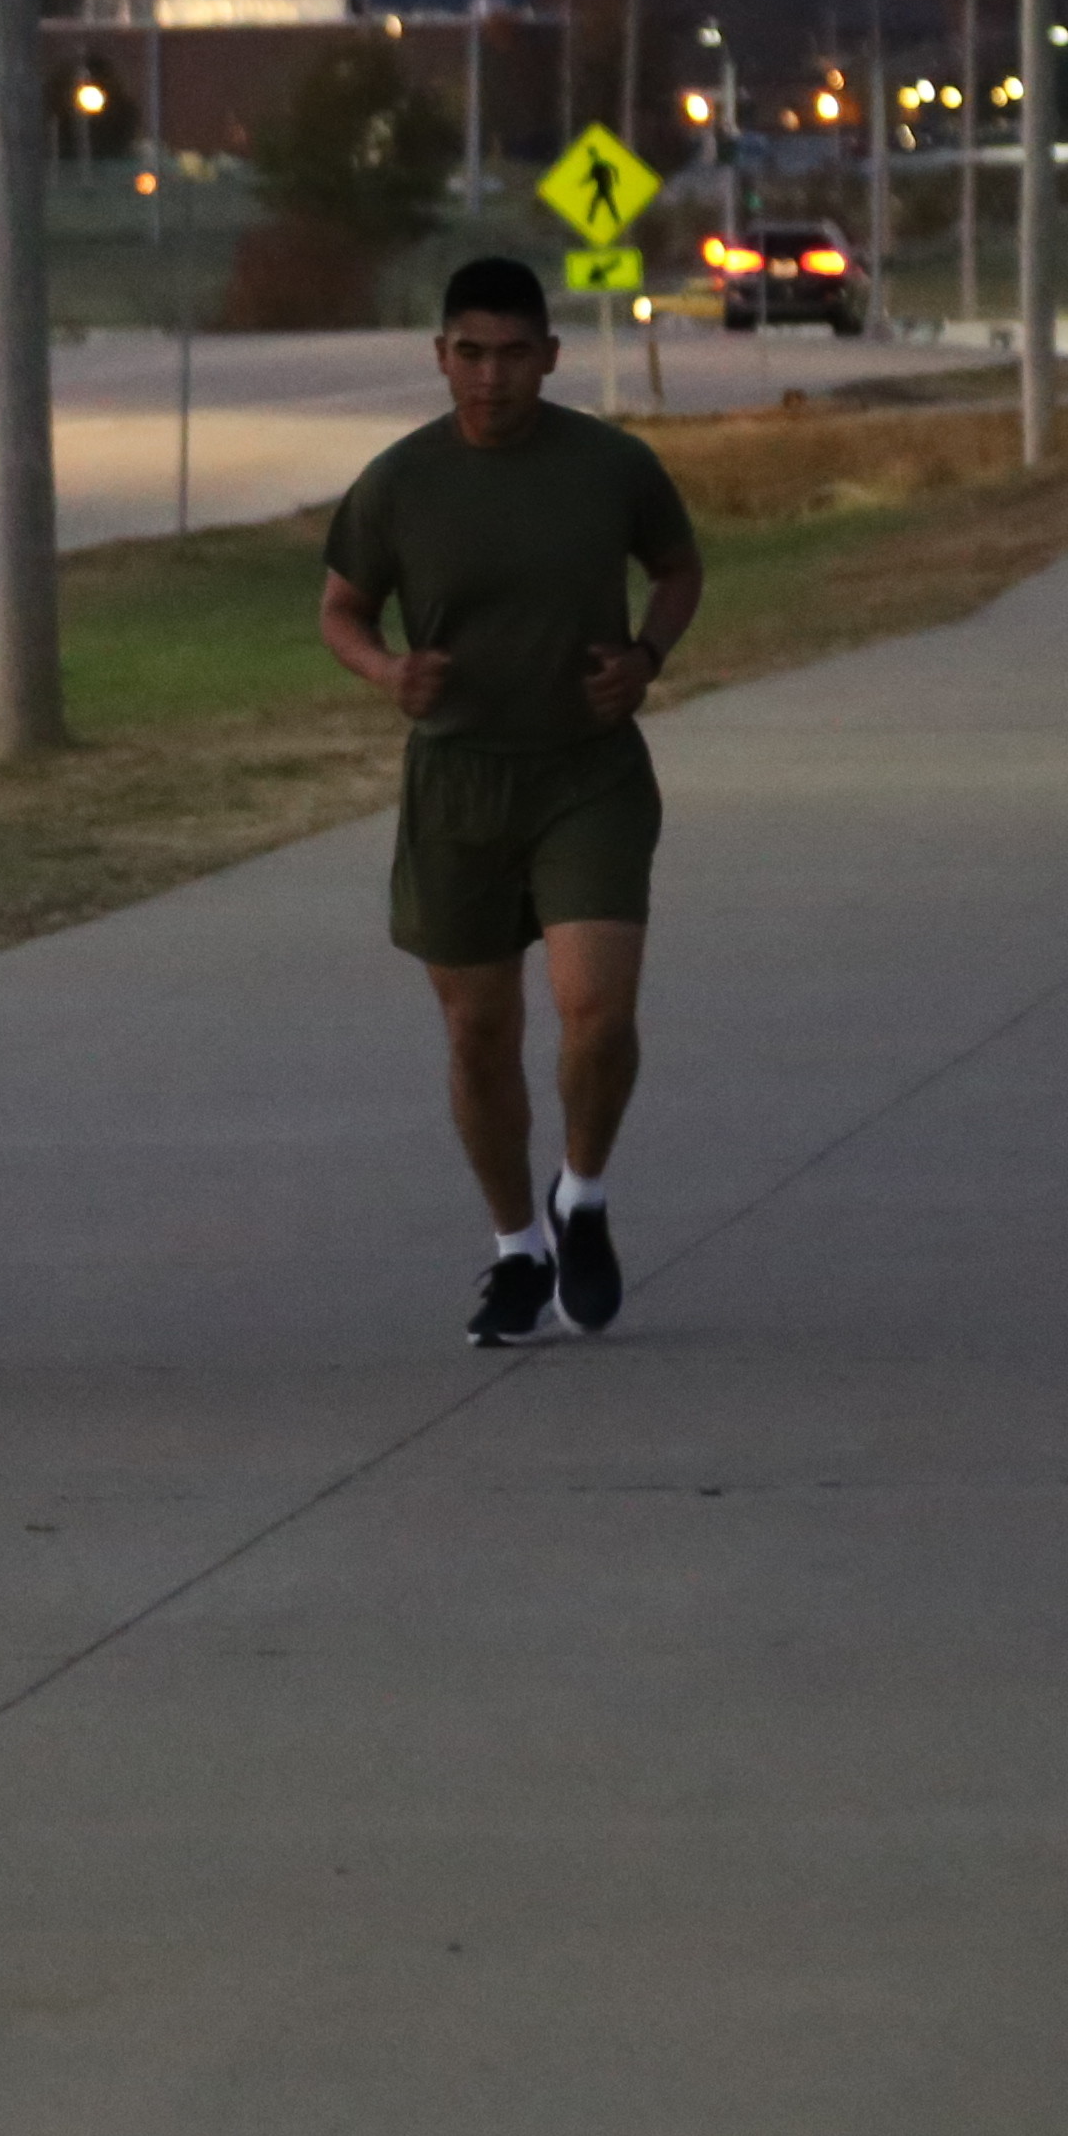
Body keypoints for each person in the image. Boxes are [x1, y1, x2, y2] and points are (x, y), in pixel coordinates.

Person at [317, 253, 701, 1347]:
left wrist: (648, 656)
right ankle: (515, 1250)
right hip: (457, 784)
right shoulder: (399, 483)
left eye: (515, 355)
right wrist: (388, 672)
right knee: (480, 1032)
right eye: (471, 356)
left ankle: (580, 1196)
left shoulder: (611, 465)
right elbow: (342, 610)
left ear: (551, 358)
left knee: (599, 1015)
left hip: (589, 772)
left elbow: (678, 570)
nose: (492, 379)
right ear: (441, 358)